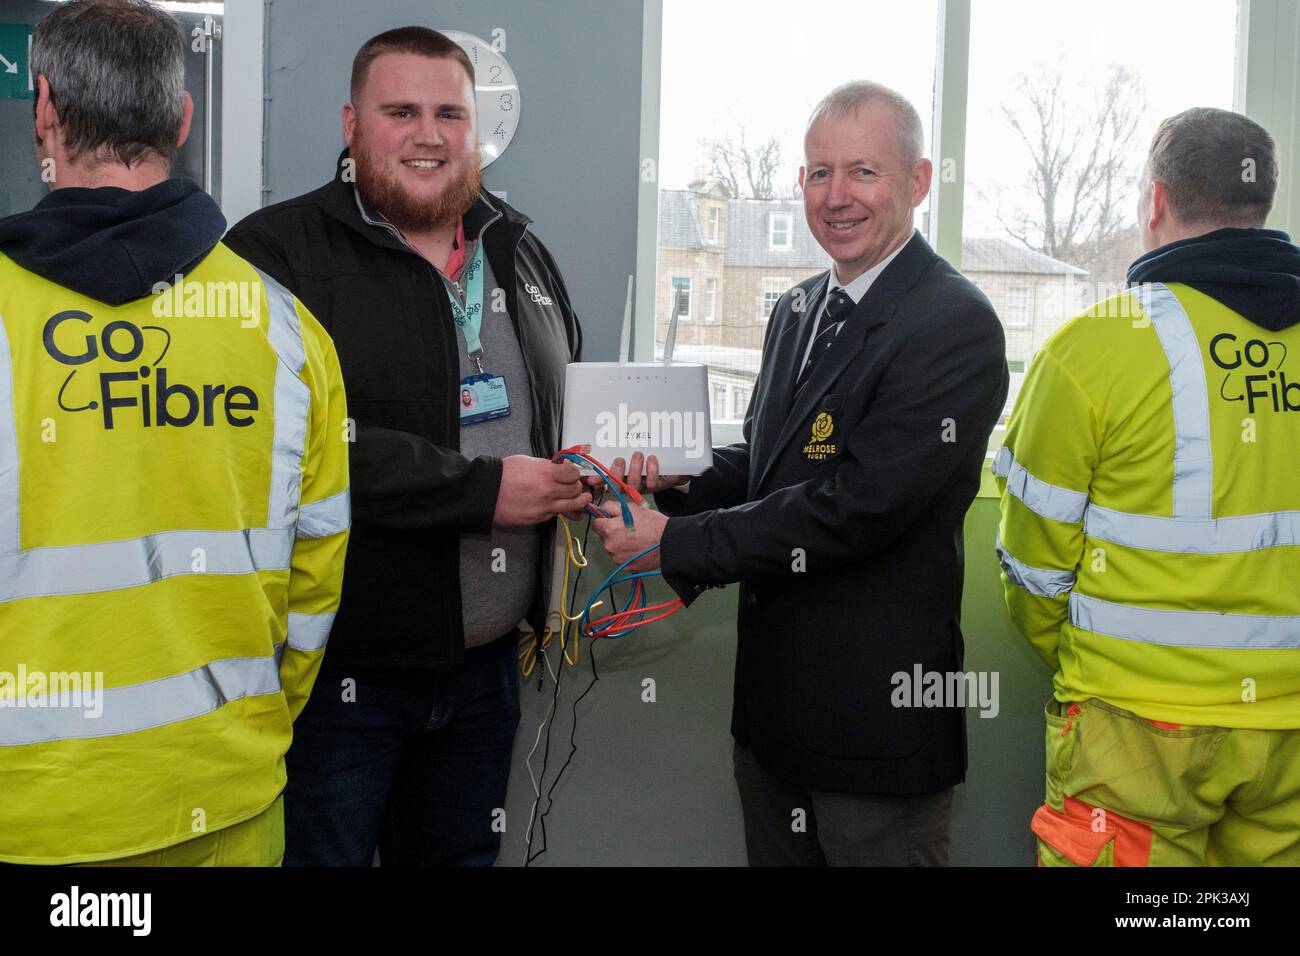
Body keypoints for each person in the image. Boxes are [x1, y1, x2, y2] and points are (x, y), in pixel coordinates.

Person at [595, 81, 1008, 866]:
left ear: (918, 182)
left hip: (874, 731)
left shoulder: (953, 322)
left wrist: (674, 544)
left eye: (863, 172)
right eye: (819, 173)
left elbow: (858, 505)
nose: (836, 196)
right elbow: (767, 460)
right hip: (774, 722)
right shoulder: (797, 308)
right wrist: (673, 481)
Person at [225, 26, 587, 867]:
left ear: (475, 131)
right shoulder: (273, 255)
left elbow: (559, 408)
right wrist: (480, 490)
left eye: (449, 113)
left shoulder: (519, 249)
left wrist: (608, 464)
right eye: (402, 111)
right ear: (352, 124)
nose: (429, 134)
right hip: (339, 680)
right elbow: (279, 450)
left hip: (489, 673)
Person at [0, 0, 349, 866]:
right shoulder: (286, 332)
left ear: (43, 107)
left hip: (33, 819)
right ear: (183, 118)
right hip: (224, 800)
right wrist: (251, 718)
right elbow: (316, 583)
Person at [995, 107, 1300, 867]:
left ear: (1155, 201)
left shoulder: (1090, 349)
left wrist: (1091, 662)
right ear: (1259, 205)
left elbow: (1033, 571)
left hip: (1133, 731)